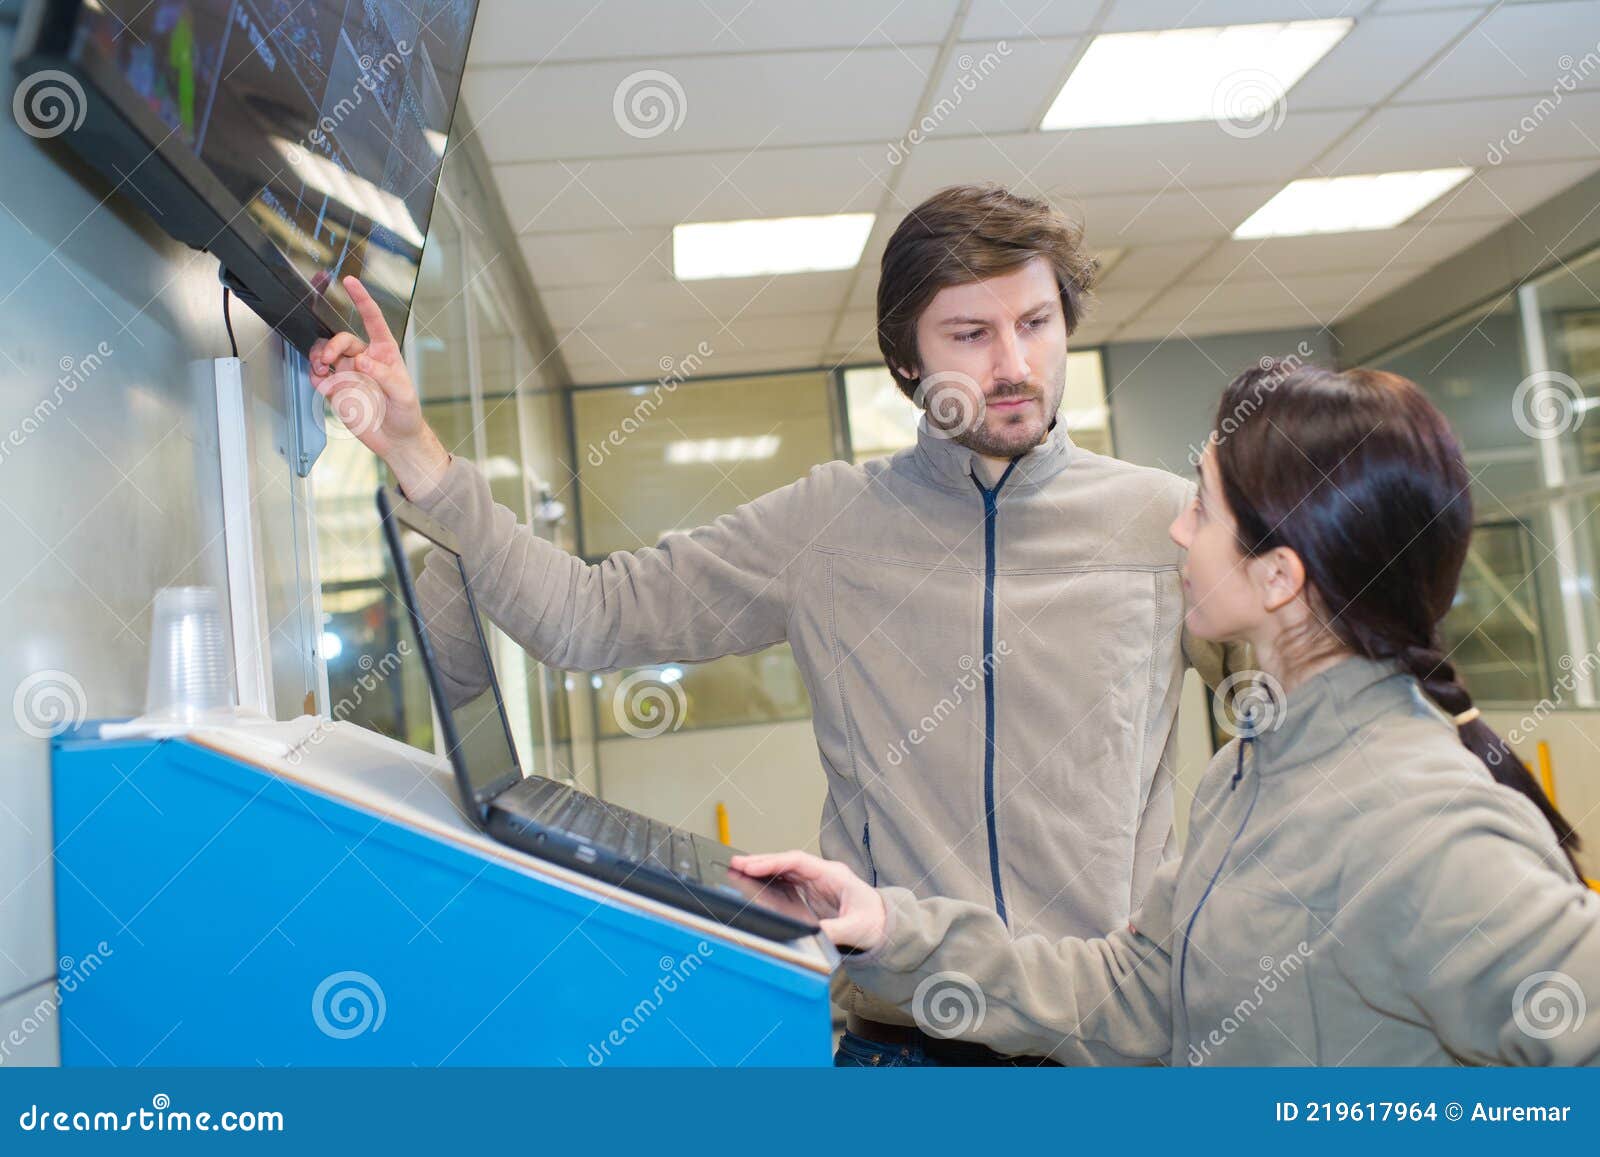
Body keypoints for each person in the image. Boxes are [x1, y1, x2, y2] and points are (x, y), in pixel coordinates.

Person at [308, 184, 1234, 1066]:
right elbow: (587, 616)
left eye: (1036, 323)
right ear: (907, 361)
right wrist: (413, 449)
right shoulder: (829, 525)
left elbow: (1293, 721)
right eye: (970, 333)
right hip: (903, 1052)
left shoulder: (1165, 524)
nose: (1014, 365)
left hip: (1116, 1051)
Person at [734, 364, 1600, 1066]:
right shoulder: (1245, 776)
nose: (1179, 531)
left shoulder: (1422, 822)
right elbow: (1138, 995)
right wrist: (888, 928)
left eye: (1202, 507)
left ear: (1278, 576)